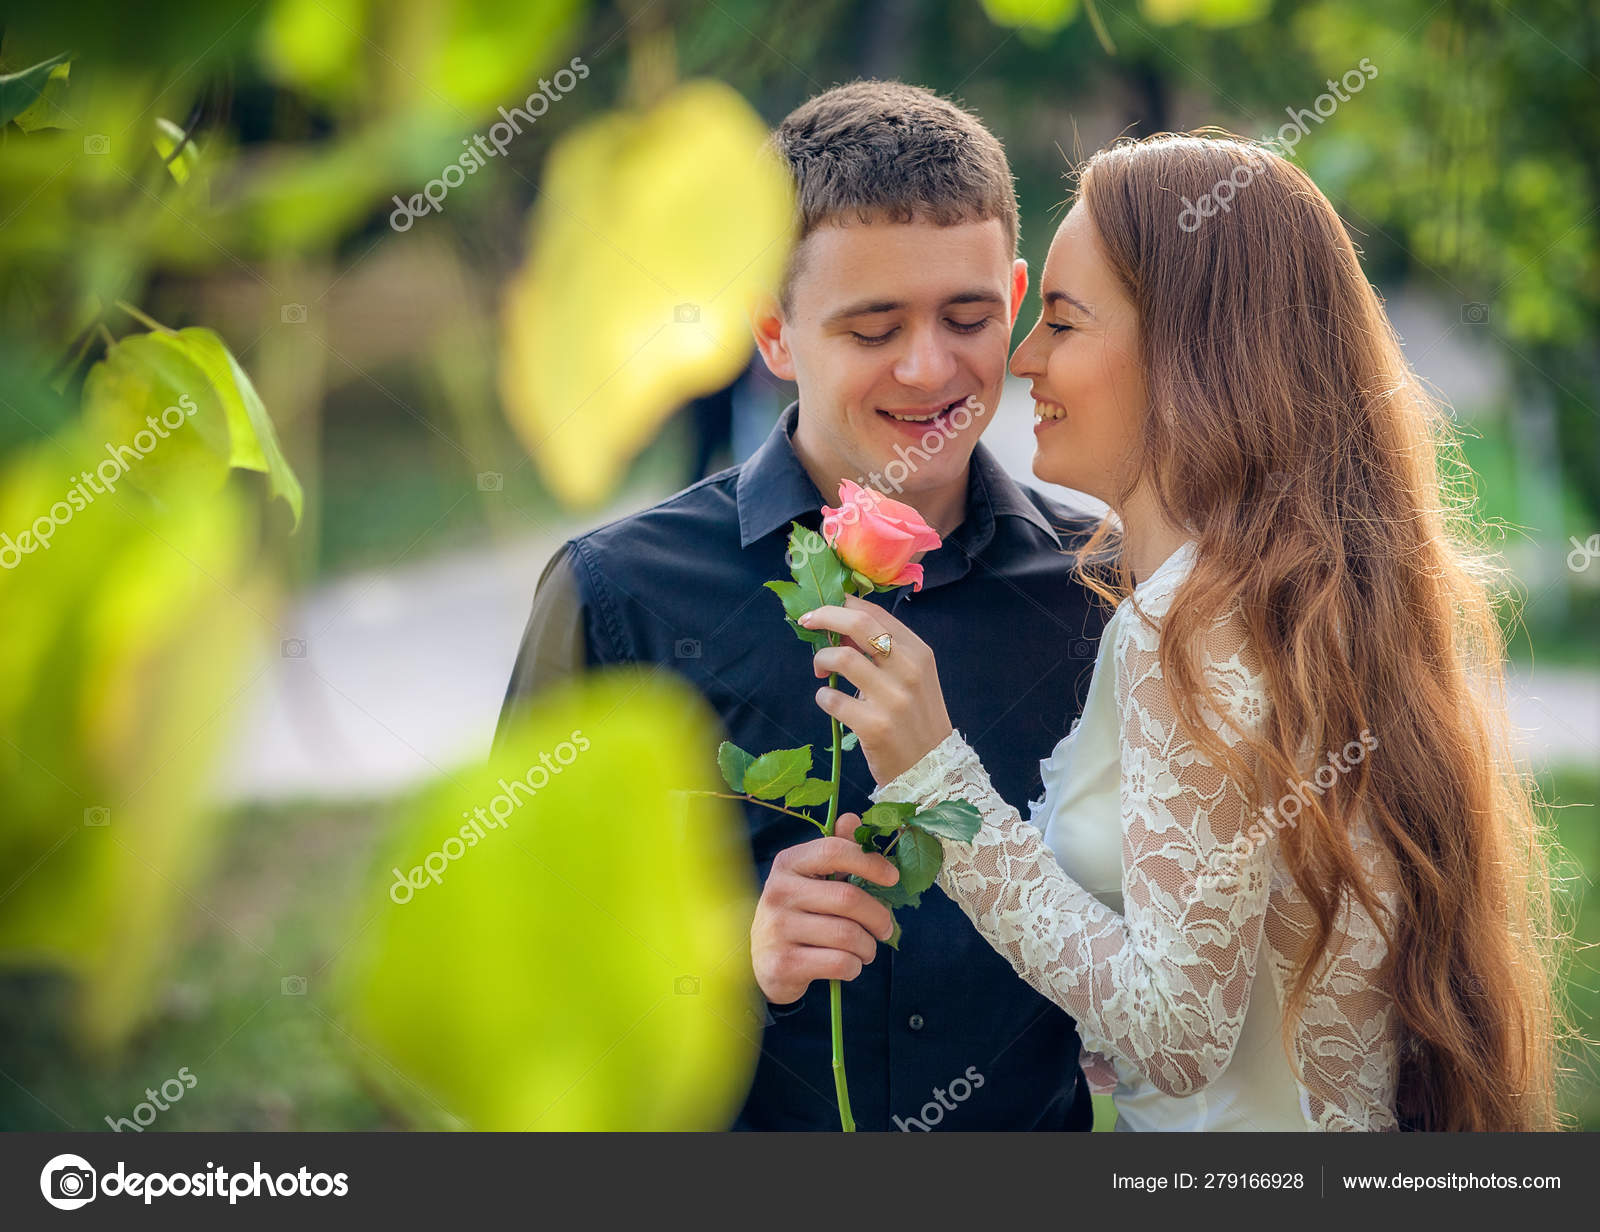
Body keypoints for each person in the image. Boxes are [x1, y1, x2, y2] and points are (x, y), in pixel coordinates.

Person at [800, 132, 1562, 1131]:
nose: (1022, 362)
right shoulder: (1290, 602)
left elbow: (1176, 1033)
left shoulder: (1188, 623)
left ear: (1189, 349)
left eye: (1062, 323)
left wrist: (936, 774)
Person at [496, 81, 1109, 1131]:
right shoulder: (616, 596)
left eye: (966, 317)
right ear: (773, 333)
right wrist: (729, 955)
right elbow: (514, 964)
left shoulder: (1101, 585)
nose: (929, 366)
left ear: (1013, 300)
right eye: (873, 328)